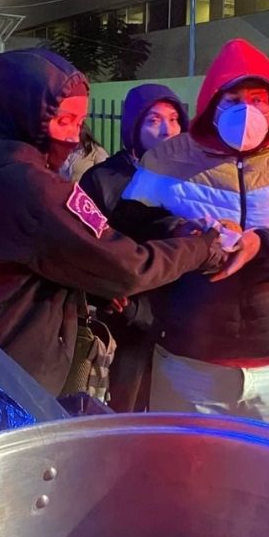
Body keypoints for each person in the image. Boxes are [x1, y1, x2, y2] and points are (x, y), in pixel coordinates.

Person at [0, 49, 226, 396]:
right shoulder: (32, 186)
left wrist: (89, 280)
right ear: (25, 115)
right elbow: (126, 266)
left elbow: (28, 255)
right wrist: (202, 247)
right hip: (11, 368)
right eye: (63, 121)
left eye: (79, 123)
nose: (74, 137)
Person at [118, 38, 269, 435]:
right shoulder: (167, 158)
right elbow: (127, 231)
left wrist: (264, 244)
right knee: (187, 484)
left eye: (258, 99)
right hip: (188, 364)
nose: (247, 111)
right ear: (213, 102)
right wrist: (190, 236)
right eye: (233, 99)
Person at [79, 83, 187, 412]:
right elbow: (83, 247)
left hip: (186, 320)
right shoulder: (103, 179)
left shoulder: (200, 176)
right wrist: (107, 292)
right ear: (134, 126)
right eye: (154, 120)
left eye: (173, 119)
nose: (166, 129)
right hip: (130, 322)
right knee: (126, 417)